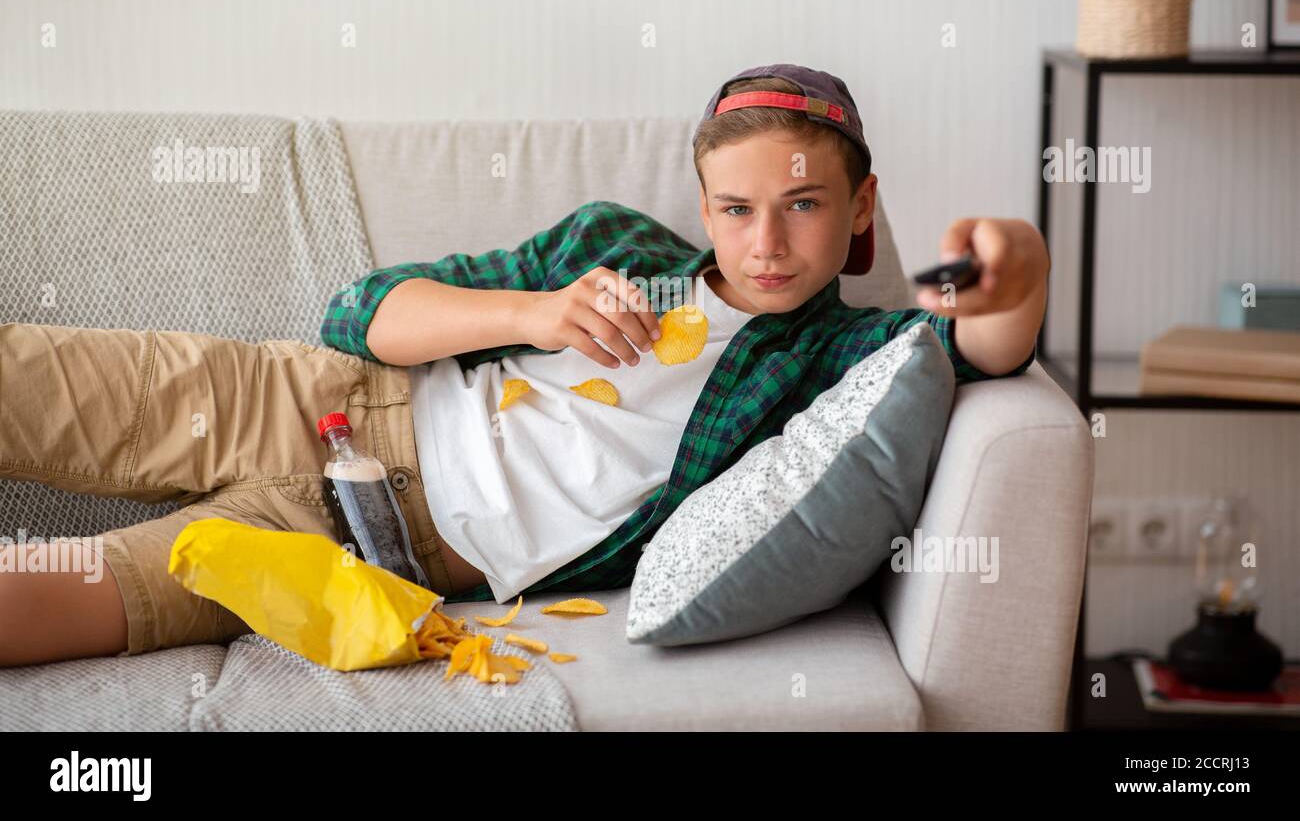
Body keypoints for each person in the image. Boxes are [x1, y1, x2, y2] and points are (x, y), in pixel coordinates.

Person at [0, 63, 1048, 666]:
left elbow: (985, 342)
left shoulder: (839, 359)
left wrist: (1012, 258)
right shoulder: (614, 249)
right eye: (736, 209)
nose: (766, 242)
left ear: (860, 207)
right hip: (316, 401)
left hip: (359, 550)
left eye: (803, 204)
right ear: (705, 210)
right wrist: (538, 313)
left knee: (49, 604)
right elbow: (358, 311)